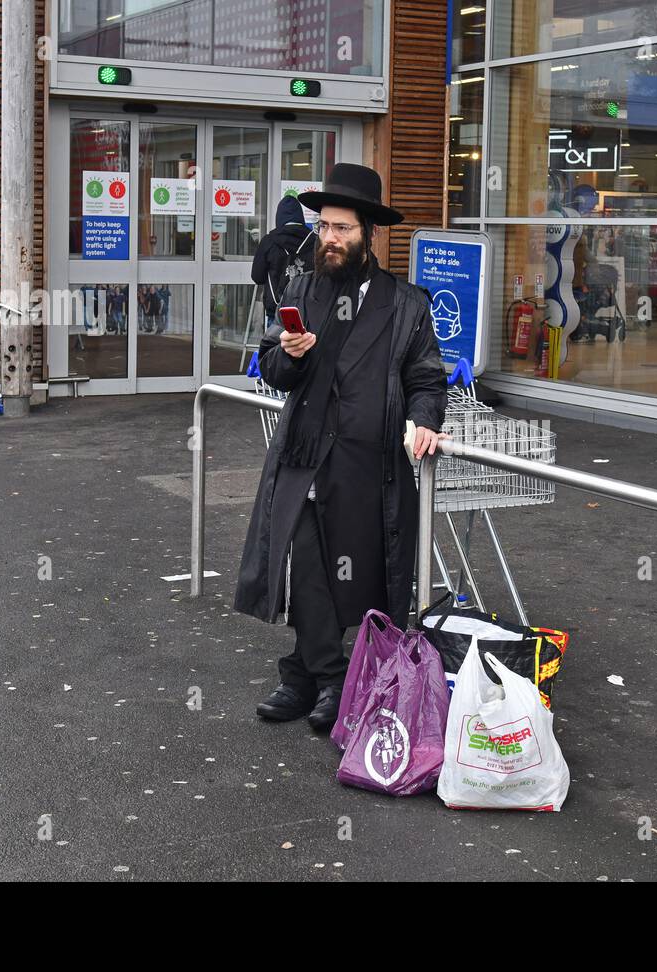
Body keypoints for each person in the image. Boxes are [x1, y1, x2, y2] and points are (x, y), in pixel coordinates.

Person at [234, 163, 448, 732]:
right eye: (325, 227)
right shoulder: (301, 289)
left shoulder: (406, 304)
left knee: (344, 573)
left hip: (366, 463)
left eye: (343, 229)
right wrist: (290, 353)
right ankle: (327, 679)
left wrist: (423, 420)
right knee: (304, 560)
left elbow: (427, 378)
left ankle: (305, 676)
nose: (330, 238)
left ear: (367, 234)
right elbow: (273, 370)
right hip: (304, 453)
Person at [252, 195, 317, 328]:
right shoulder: (315, 241)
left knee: (275, 346)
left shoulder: (269, 241)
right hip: (308, 310)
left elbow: (257, 277)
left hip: (277, 310)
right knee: (305, 347)